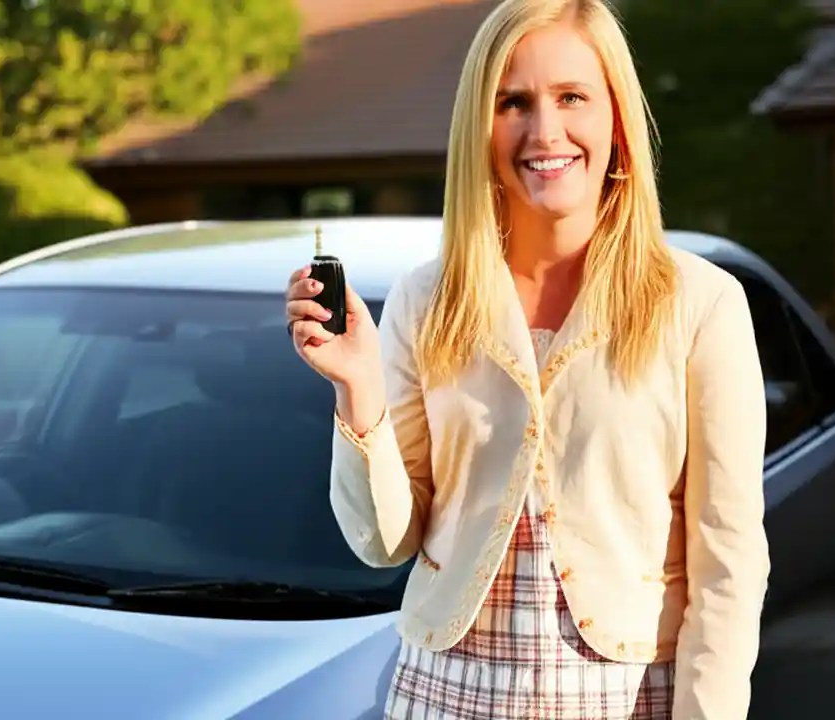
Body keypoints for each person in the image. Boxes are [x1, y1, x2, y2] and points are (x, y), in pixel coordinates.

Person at [284, 0, 770, 718]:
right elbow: (384, 542)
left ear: (617, 120)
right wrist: (358, 389)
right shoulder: (425, 299)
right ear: (480, 128)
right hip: (444, 692)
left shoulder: (702, 304)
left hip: (630, 696)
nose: (545, 131)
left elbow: (729, 565)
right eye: (513, 102)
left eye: (572, 97)